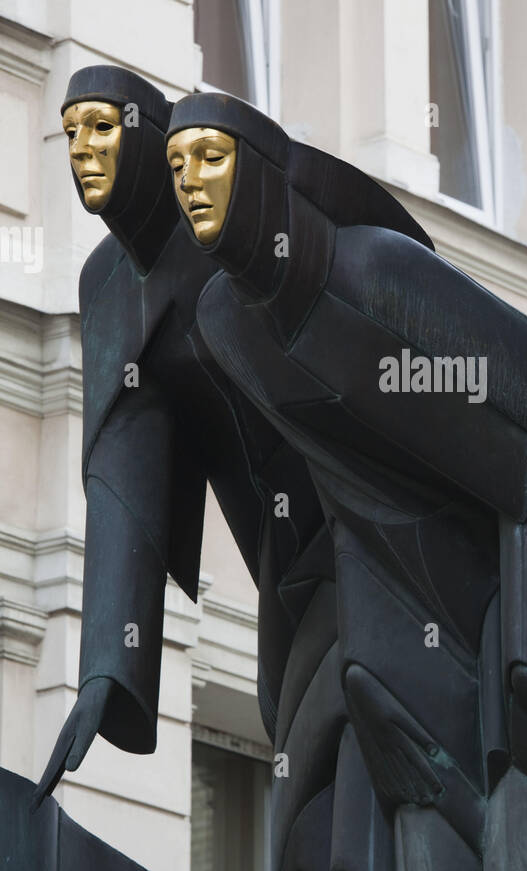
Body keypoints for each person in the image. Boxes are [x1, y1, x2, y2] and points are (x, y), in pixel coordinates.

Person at [165, 91, 527, 871]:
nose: (190, 184)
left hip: (466, 591)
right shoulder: (226, 321)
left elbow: (525, 390)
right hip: (362, 603)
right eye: (175, 169)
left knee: (440, 863)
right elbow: (299, 494)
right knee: (318, 840)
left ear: (260, 171)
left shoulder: (374, 270)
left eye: (209, 158)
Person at [35, 66, 322, 811]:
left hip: (351, 512)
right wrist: (105, 668)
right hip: (277, 546)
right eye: (71, 134)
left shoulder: (227, 232)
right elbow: (123, 468)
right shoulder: (105, 285)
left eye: (101, 128)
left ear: (147, 135)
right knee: (290, 719)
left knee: (333, 723)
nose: (82, 151)